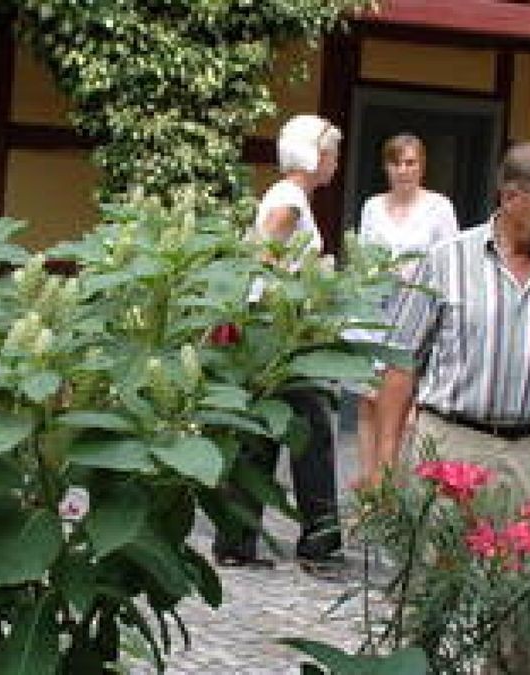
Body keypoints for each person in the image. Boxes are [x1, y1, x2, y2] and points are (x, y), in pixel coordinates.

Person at [373, 141, 530, 672]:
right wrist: (387, 464)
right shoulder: (444, 263)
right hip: (449, 444)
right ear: (510, 196)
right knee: (425, 599)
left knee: (519, 611)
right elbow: (400, 365)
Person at [213, 113, 345, 575]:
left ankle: (237, 538)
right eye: (331, 153)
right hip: (281, 329)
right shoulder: (289, 199)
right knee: (310, 433)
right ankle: (319, 539)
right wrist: (293, 287)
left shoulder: (286, 194)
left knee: (262, 434)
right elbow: (265, 250)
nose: (335, 162)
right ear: (316, 156)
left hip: (267, 329)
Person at [352, 133, 458, 488]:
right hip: (375, 311)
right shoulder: (372, 206)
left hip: (416, 314)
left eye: (410, 162)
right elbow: (363, 257)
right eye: (396, 163)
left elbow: (449, 260)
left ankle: (390, 486)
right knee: (368, 401)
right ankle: (367, 481)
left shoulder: (439, 207)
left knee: (401, 408)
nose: (403, 170)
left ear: (421, 166)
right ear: (386, 167)